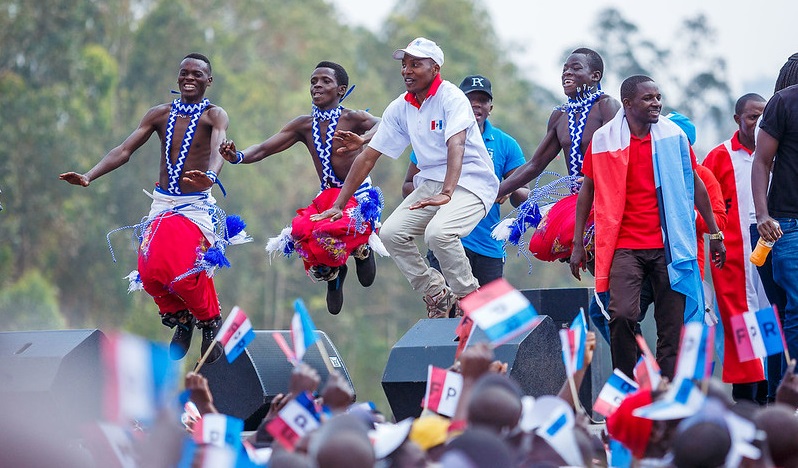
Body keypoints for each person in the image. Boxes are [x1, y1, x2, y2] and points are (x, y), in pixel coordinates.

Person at [60, 53, 240, 362]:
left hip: (194, 205)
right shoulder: (159, 114)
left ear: (209, 81)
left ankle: (209, 320)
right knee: (149, 269)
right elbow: (124, 149)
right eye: (184, 72)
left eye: (197, 74)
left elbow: (218, 149)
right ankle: (182, 319)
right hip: (161, 203)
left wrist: (210, 175)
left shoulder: (214, 116)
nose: (189, 78)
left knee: (182, 265)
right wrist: (89, 175)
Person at [311, 38, 499, 319]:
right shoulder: (401, 106)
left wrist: (448, 192)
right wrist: (339, 204)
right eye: (404, 65)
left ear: (435, 68)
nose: (406, 71)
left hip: (471, 182)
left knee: (439, 234)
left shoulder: (452, 98)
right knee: (390, 234)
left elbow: (456, 145)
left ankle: (470, 298)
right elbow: (368, 156)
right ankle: (437, 293)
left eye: (415, 64)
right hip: (432, 183)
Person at [570, 75, 726, 379]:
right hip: (625, 247)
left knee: (672, 328)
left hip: (670, 247)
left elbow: (696, 185)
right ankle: (630, 385)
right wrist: (577, 244)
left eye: (658, 97)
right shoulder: (603, 140)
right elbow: (586, 191)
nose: (656, 104)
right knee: (621, 315)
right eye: (648, 98)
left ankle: (666, 394)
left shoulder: (673, 138)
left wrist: (715, 233)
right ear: (627, 104)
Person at [219, 61, 381, 315]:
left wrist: (363, 139)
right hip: (327, 197)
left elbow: (383, 123)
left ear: (341, 90)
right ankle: (333, 272)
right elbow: (263, 148)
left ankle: (361, 248)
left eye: (325, 81)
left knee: (333, 230)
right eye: (313, 81)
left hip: (358, 198)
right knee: (300, 230)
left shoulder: (353, 118)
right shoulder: (304, 125)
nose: (317, 85)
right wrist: (237, 156)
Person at [492, 48, 620, 265]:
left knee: (613, 270)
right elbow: (535, 165)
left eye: (576, 68)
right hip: (579, 204)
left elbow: (620, 156)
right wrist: (494, 192)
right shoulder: (560, 116)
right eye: (565, 69)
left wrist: (595, 178)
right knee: (540, 246)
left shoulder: (606, 107)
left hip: (609, 201)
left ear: (595, 76)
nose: (567, 73)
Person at [402, 74, 528, 286]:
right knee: (448, 314)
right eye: (470, 99)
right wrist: (436, 192)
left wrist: (507, 189)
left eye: (483, 100)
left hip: (488, 246)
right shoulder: (435, 135)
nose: (476, 105)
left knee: (489, 316)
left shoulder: (506, 143)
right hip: (446, 241)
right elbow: (407, 186)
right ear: (458, 103)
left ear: (491, 107)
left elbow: (523, 194)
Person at [702, 93, 770, 404]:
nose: (757, 124)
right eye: (752, 117)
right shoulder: (720, 156)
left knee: (769, 318)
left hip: (772, 251)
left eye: (763, 116)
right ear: (737, 119)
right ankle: (746, 397)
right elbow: (703, 201)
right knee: (742, 323)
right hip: (732, 256)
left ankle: (769, 389)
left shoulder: (777, 153)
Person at [752, 52, 798, 368]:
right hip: (780, 227)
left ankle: (775, 390)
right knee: (779, 310)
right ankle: (772, 390)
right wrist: (762, 215)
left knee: (783, 311)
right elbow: (762, 162)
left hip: (773, 231)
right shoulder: (784, 103)